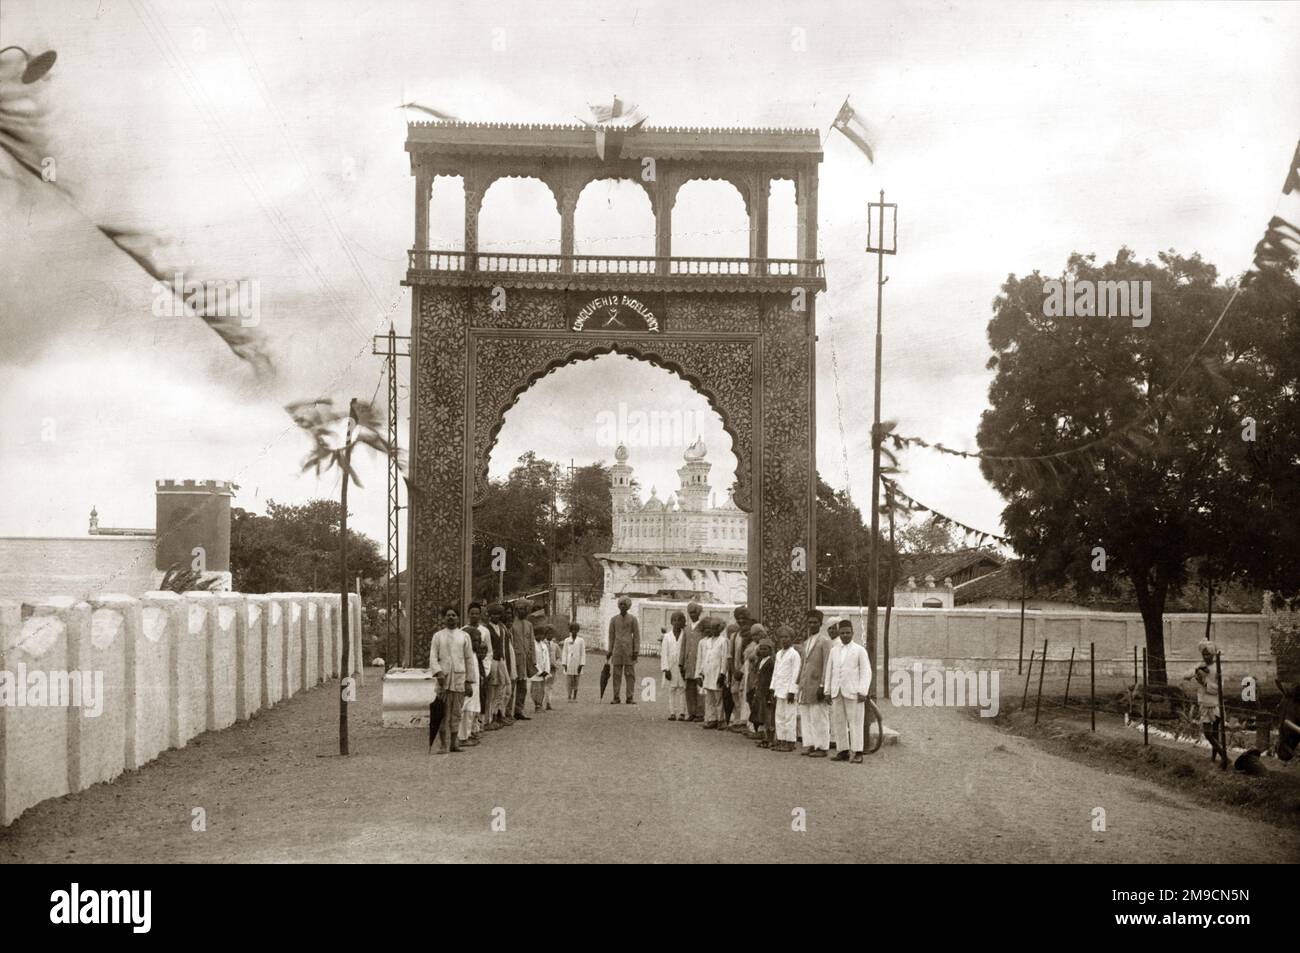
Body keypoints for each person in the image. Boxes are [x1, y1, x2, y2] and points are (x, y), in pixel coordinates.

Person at [429, 606, 475, 754]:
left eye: (453, 615)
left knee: (456, 713)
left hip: (459, 680)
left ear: (458, 618)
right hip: (444, 681)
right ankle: (443, 744)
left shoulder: (464, 636)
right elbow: (433, 657)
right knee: (443, 714)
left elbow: (469, 659)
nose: (451, 617)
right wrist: (438, 672)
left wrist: (469, 681)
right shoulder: (438, 636)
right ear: (443, 618)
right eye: (448, 615)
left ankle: (454, 744)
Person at [824, 619, 872, 764]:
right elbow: (829, 671)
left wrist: (863, 690)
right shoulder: (834, 650)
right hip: (837, 691)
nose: (845, 635)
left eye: (847, 633)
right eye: (842, 633)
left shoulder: (859, 650)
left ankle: (857, 752)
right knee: (838, 722)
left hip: (853, 692)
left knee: (855, 722)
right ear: (839, 633)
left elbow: (866, 671)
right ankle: (843, 750)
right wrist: (827, 691)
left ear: (852, 633)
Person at [797, 609, 833, 758]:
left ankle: (822, 747)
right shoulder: (806, 642)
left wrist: (823, 685)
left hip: (817, 684)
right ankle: (810, 744)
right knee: (807, 716)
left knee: (819, 716)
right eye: (809, 622)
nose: (812, 625)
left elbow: (827, 665)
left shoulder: (824, 641)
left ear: (820, 624)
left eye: (815, 623)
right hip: (806, 685)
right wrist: (799, 683)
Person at [1184, 640, 1227, 765]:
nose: (1206, 656)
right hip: (1204, 703)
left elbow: (1220, 689)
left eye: (1208, 654)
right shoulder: (1201, 666)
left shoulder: (1218, 668)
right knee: (1208, 733)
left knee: (1215, 732)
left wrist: (1204, 683)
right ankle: (1224, 756)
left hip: (1215, 703)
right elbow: (1185, 676)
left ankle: (1216, 758)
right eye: (1204, 654)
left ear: (1213, 654)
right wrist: (1197, 670)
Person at [771, 624, 802, 752]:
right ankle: (781, 740)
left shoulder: (794, 655)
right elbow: (775, 672)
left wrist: (792, 691)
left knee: (789, 716)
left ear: (792, 639)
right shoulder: (778, 654)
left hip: (789, 691)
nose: (784, 639)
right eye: (782, 637)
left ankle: (790, 742)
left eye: (787, 637)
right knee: (779, 716)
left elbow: (796, 674)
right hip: (779, 690)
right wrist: (772, 688)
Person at [459, 603, 488, 746]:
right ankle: (463, 737)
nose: (477, 643)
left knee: (473, 708)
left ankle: (469, 733)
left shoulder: (475, 655)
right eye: (474, 641)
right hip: (467, 683)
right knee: (466, 708)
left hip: (475, 680)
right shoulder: (466, 653)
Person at [482, 603, 512, 729]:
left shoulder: (501, 628)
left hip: (500, 661)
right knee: (491, 691)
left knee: (501, 688)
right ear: (489, 615)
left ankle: (497, 716)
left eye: (498, 614)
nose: (496, 616)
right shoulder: (486, 629)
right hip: (492, 661)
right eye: (494, 614)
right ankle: (488, 720)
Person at [607, 596, 641, 704]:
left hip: (629, 651)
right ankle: (616, 697)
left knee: (630, 674)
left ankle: (629, 697)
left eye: (624, 604)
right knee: (616, 674)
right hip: (617, 650)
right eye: (620, 604)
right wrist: (609, 650)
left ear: (628, 606)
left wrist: (636, 650)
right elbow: (611, 636)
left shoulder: (633, 619)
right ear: (618, 606)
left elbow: (636, 636)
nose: (622, 606)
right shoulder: (613, 620)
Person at [696, 618, 729, 728]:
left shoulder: (723, 641)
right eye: (711, 628)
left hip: (717, 673)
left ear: (720, 629)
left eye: (715, 628)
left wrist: (722, 674)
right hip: (707, 673)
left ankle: (720, 720)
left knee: (718, 698)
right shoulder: (707, 642)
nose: (713, 630)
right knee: (709, 698)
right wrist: (700, 674)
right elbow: (703, 659)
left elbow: (724, 658)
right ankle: (711, 719)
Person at [509, 599, 536, 721]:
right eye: (520, 609)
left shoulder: (529, 625)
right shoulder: (512, 625)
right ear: (516, 610)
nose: (522, 611)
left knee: (523, 687)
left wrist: (533, 659)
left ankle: (518, 710)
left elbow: (531, 643)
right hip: (515, 659)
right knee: (511, 686)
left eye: (524, 609)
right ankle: (507, 712)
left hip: (525, 660)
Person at [680, 602, 705, 722]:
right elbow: (683, 647)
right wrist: (681, 663)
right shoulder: (686, 628)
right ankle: (691, 712)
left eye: (694, 612)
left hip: (699, 662)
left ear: (699, 613)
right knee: (689, 688)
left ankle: (700, 713)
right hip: (688, 663)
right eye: (690, 613)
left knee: (699, 688)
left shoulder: (702, 628)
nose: (692, 615)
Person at [749, 637, 775, 746]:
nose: (763, 651)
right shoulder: (760, 661)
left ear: (770, 650)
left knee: (768, 717)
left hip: (767, 692)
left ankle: (770, 739)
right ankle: (765, 737)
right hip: (760, 692)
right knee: (762, 716)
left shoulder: (771, 662)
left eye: (765, 649)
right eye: (761, 649)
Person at [661, 616, 686, 720]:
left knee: (682, 689)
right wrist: (666, 669)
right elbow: (664, 653)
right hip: (670, 667)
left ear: (683, 622)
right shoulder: (667, 636)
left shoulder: (685, 635)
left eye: (679, 620)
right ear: (671, 622)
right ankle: (672, 712)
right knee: (671, 689)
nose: (677, 622)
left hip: (681, 667)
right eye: (675, 620)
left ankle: (682, 713)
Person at [530, 625, 552, 713]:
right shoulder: (532, 645)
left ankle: (540, 704)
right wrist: (539, 671)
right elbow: (533, 660)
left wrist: (546, 670)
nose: (540, 636)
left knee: (542, 688)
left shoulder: (544, 645)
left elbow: (547, 659)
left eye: (542, 635)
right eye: (538, 635)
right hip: (536, 671)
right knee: (536, 689)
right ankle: (537, 705)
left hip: (544, 671)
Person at [562, 622, 586, 701]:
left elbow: (583, 653)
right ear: (570, 630)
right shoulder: (567, 640)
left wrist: (581, 664)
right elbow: (565, 652)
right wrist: (564, 664)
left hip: (577, 662)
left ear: (578, 630)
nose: (574, 631)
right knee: (569, 680)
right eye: (572, 630)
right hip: (569, 662)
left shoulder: (581, 640)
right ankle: (569, 695)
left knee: (576, 680)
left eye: (576, 630)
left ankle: (575, 696)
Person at [546, 627, 562, 711]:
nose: (550, 635)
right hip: (544, 669)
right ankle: (541, 703)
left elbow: (559, 657)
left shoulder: (555, 645)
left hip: (552, 669)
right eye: (548, 633)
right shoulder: (542, 644)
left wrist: (555, 664)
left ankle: (548, 702)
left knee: (550, 686)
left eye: (551, 633)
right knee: (542, 686)